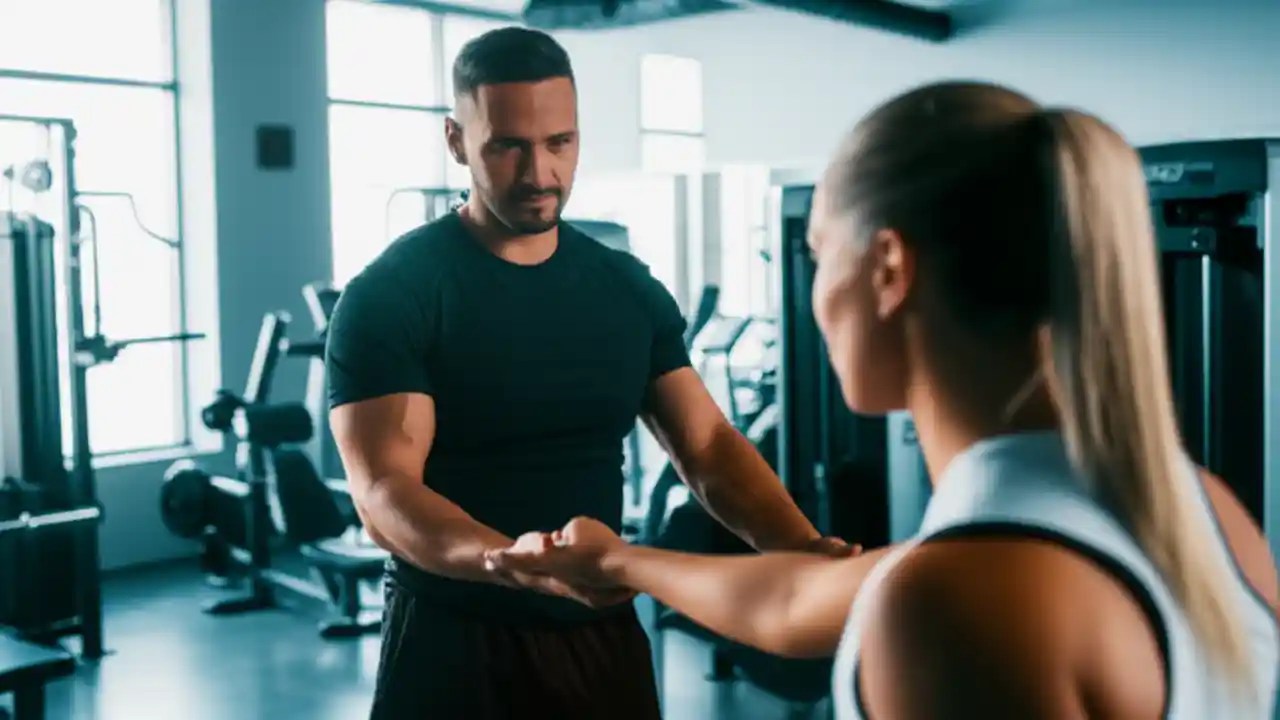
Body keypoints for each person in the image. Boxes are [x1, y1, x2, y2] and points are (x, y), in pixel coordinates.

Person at [487, 80, 1280, 719]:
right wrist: (616, 559)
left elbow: (898, 596)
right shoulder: (1197, 509)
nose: (815, 295)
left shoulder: (955, 604)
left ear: (889, 268)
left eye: (819, 254)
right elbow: (794, 598)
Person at [325, 26, 847, 720]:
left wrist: (802, 548)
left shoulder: (625, 289)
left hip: (601, 636)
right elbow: (385, 491)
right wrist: (509, 561)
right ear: (456, 141)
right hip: (453, 641)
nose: (539, 173)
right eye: (508, 146)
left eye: (559, 143)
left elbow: (707, 446)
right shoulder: (394, 295)